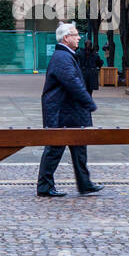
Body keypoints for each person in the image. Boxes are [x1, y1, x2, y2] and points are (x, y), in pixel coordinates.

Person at [37, 22, 104, 197]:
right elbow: (73, 83)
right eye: (75, 34)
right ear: (66, 38)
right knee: (54, 149)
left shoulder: (65, 55)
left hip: (69, 112)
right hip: (63, 113)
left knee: (79, 147)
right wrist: (89, 102)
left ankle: (84, 183)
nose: (79, 37)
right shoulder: (63, 57)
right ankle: (44, 186)